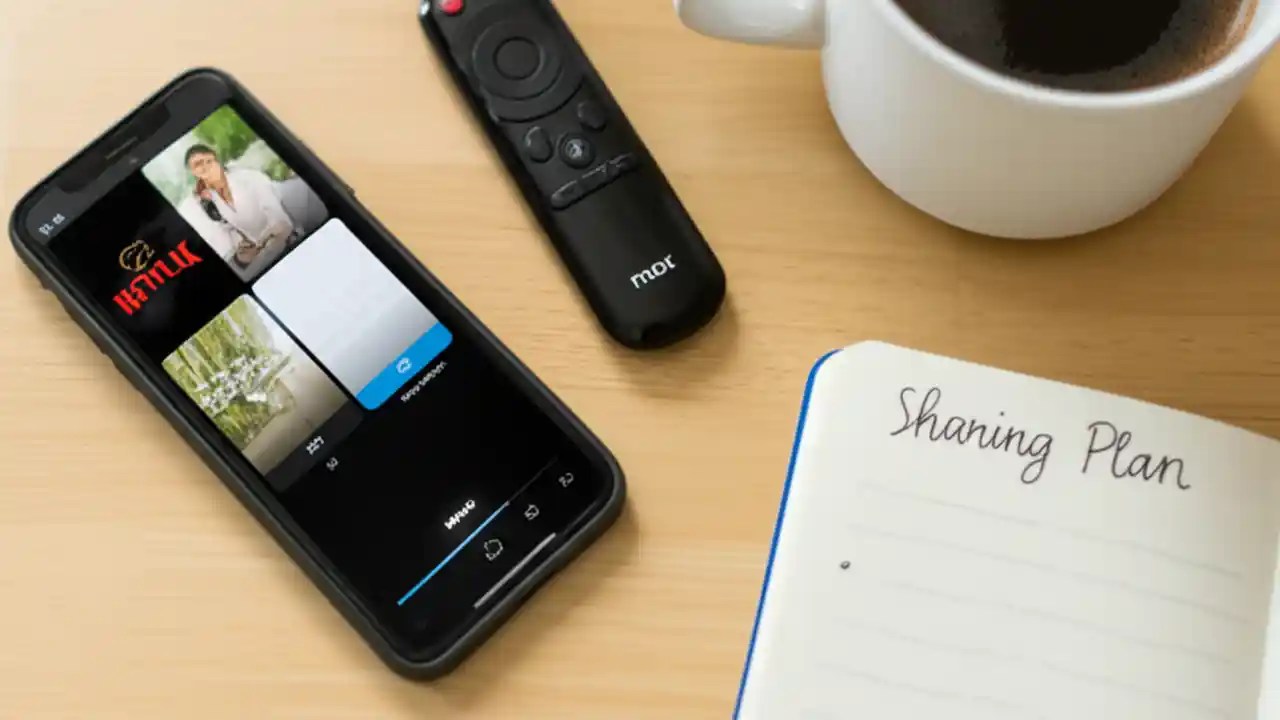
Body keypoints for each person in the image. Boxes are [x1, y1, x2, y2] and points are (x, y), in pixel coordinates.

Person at [184, 144, 295, 271]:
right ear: (194, 172)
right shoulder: (212, 200)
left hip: (288, 243)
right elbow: (230, 232)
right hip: (265, 259)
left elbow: (281, 221)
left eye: (208, 161)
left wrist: (266, 244)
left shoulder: (248, 178)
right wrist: (244, 249)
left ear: (216, 159)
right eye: (198, 164)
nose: (205, 166)